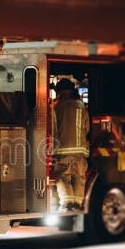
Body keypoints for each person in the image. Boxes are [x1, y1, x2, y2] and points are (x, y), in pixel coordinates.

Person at [51, 78, 90, 212]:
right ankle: (78, 204)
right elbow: (87, 127)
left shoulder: (54, 107)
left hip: (62, 152)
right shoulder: (81, 106)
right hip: (80, 153)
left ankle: (67, 203)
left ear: (58, 91)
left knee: (62, 176)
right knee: (79, 178)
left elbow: (51, 129)